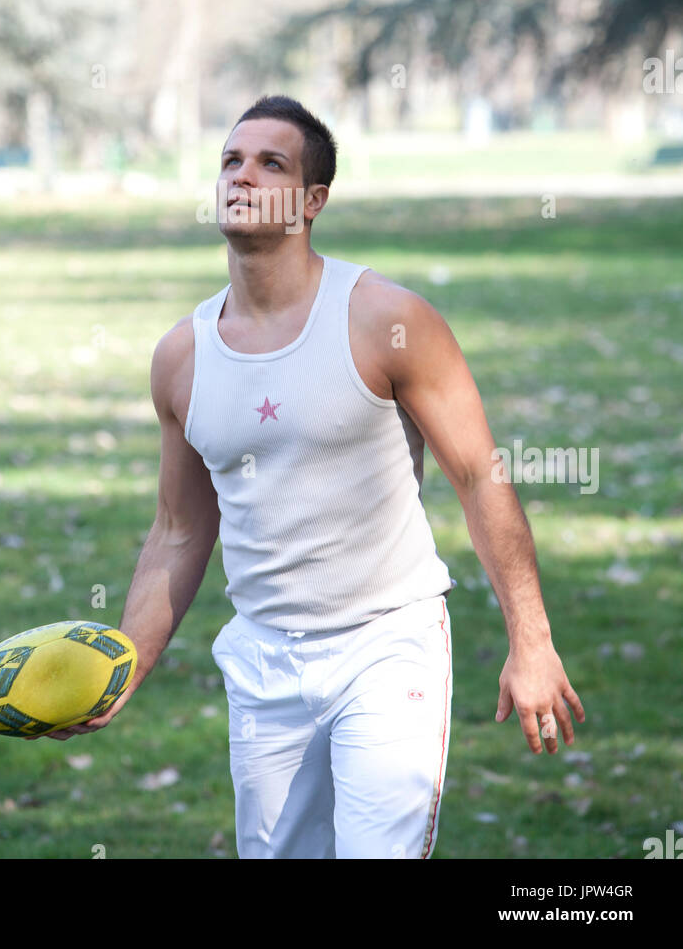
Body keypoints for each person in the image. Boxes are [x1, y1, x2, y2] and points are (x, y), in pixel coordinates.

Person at [41, 93, 585, 859]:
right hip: (262, 658)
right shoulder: (182, 357)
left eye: (271, 163)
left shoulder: (387, 321)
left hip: (387, 644)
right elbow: (180, 531)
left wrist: (532, 641)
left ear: (313, 199)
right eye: (231, 160)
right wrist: (122, 669)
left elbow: (478, 476)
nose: (243, 176)